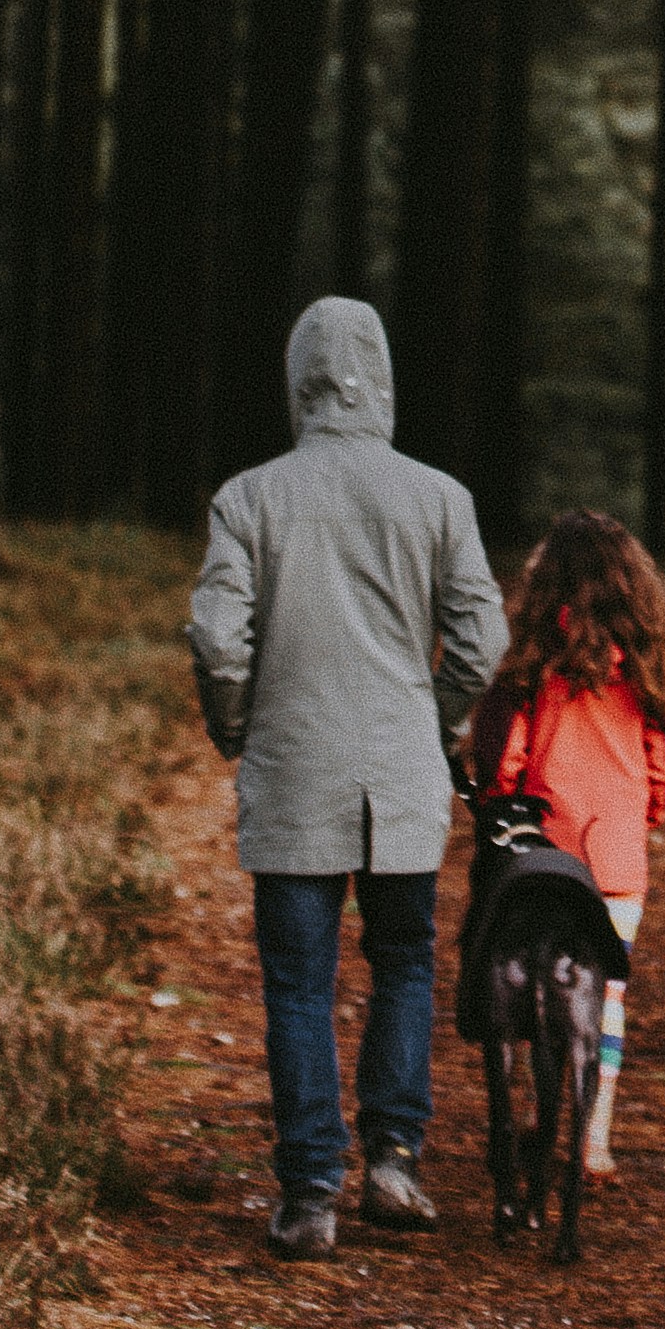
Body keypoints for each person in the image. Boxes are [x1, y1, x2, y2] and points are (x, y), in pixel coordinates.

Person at [186, 296, 504, 1259]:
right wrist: (434, 722)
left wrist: (236, 728)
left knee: (298, 984)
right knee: (404, 961)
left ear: (296, 383)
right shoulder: (440, 498)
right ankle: (395, 1161)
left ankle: (308, 1194)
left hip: (293, 770)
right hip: (404, 775)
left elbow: (218, 639)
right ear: (385, 380)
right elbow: (482, 641)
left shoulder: (248, 499)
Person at [462, 511, 665, 1177]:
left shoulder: (528, 666)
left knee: (528, 983)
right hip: (617, 862)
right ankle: (593, 1136)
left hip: (537, 858)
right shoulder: (646, 672)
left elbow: (502, 761)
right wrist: (638, 819)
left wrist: (497, 808)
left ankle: (531, 1111)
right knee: (607, 995)